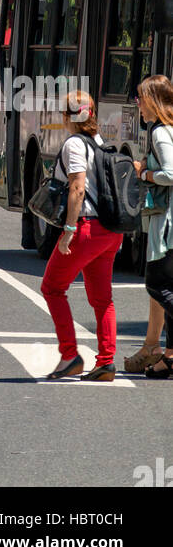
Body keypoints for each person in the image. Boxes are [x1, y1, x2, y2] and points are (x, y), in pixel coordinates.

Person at [40, 90, 123, 381]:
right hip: (111, 230)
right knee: (103, 299)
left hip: (86, 228)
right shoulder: (99, 141)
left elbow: (76, 187)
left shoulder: (74, 144)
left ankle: (70, 354)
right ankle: (106, 362)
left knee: (52, 288)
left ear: (67, 117)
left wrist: (69, 230)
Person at [132, 75, 173, 379]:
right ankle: (168, 358)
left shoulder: (160, 133)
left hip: (166, 223)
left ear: (153, 101)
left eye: (141, 98)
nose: (137, 104)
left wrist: (145, 174)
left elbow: (171, 173)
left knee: (156, 284)